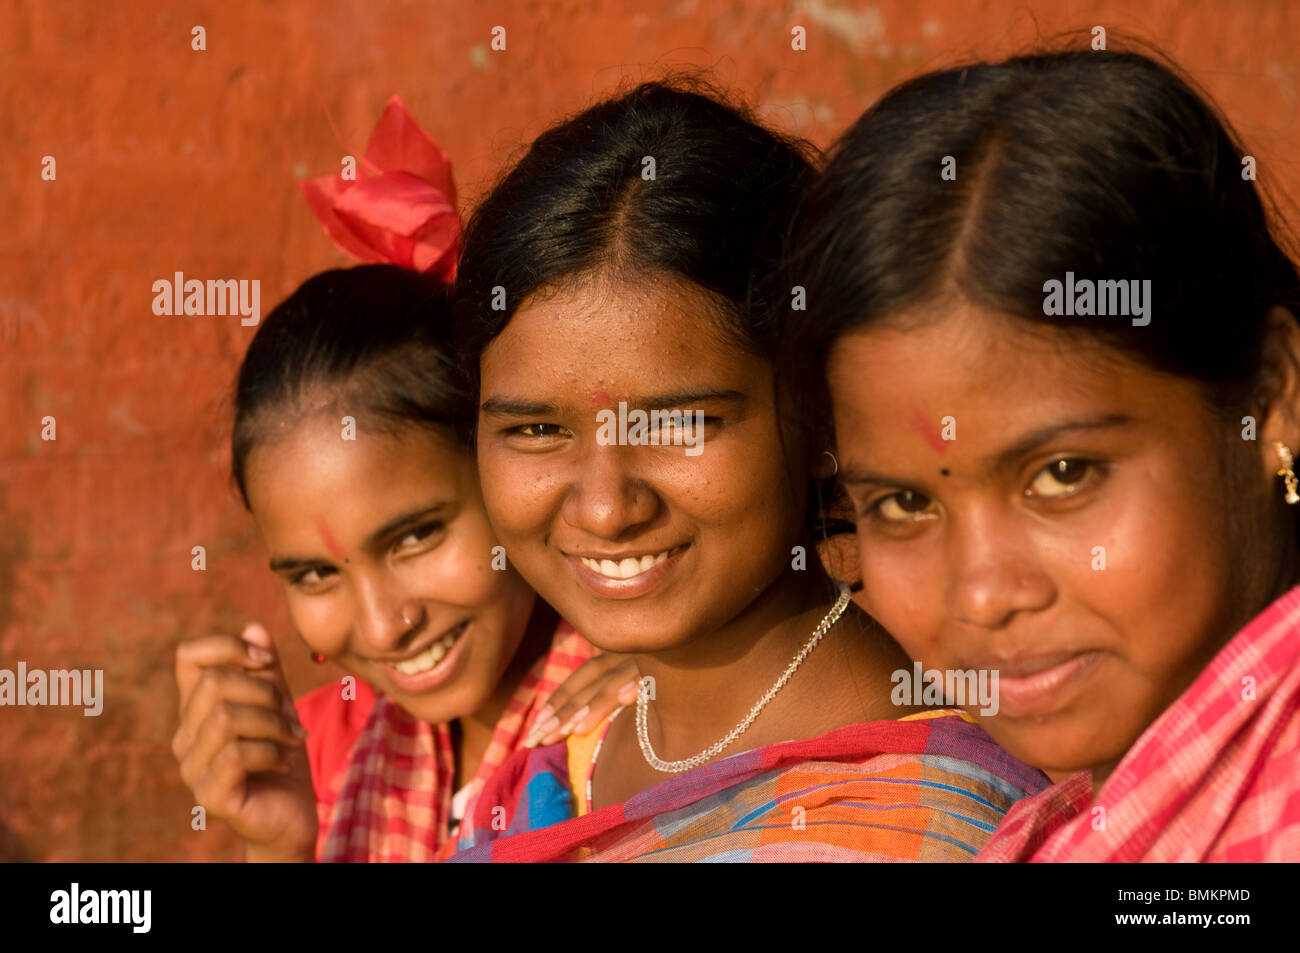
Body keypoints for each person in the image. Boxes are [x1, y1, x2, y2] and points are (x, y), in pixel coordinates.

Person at [448, 80, 1050, 862]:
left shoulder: (899, 819)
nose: (604, 508)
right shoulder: (569, 755)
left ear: (820, 415)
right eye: (535, 429)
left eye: (679, 424)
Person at [780, 48, 1300, 861]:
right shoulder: (1072, 816)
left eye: (1062, 475)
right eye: (904, 504)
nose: (983, 594)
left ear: (1271, 397)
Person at [172, 99, 632, 862]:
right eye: (317, 573)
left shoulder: (642, 714)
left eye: (417, 535)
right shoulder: (316, 754)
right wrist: (276, 845)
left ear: (507, 467)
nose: (386, 627)